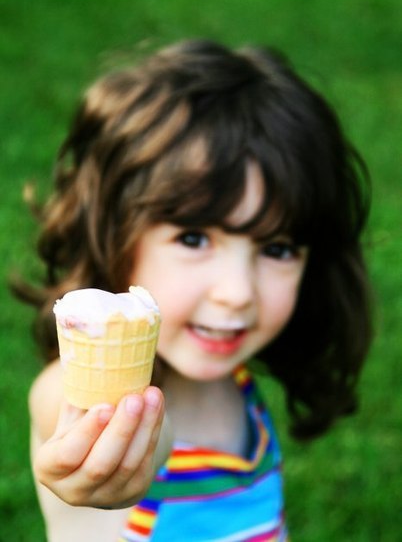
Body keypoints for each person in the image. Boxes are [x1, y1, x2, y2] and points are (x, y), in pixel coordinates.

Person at [15, 39, 373, 542]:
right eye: (194, 239)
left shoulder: (233, 381)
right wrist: (117, 458)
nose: (237, 292)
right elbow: (138, 435)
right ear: (114, 233)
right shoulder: (69, 393)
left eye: (278, 248)